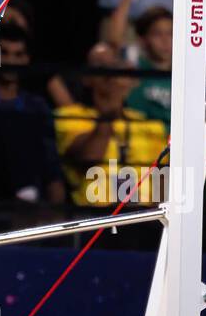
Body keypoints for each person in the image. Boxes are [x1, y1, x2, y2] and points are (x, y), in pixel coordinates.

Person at [54, 42, 168, 207]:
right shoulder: (70, 117)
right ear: (86, 78)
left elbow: (163, 178)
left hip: (144, 220)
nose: (109, 72)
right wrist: (109, 110)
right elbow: (89, 159)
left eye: (113, 65)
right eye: (101, 66)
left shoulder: (148, 124)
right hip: (94, 221)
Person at [0, 23, 64, 204]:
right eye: (4, 53)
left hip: (33, 199)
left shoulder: (36, 106)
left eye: (18, 55)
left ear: (27, 59)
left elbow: (50, 161)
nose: (10, 61)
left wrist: (57, 208)